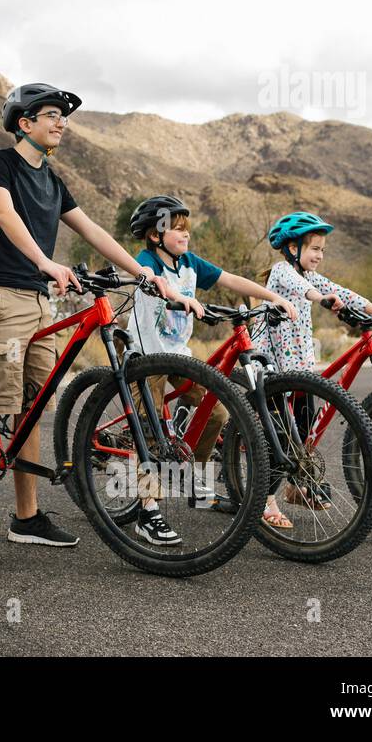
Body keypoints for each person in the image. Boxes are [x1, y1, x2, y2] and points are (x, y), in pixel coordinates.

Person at [0, 83, 165, 563]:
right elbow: (4, 215)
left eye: (63, 117)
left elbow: (89, 228)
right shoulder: (1, 164)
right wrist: (44, 261)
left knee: (31, 406)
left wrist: (145, 274)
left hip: (37, 301)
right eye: (51, 115)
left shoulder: (52, 178)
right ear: (24, 123)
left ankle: (25, 517)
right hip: (1, 295)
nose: (60, 123)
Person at [123, 195, 298, 542]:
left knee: (216, 412)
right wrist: (177, 295)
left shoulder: (189, 263)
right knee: (151, 429)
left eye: (186, 229)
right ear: (156, 236)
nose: (185, 235)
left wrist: (273, 297)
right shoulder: (147, 261)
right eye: (177, 230)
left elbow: (230, 279)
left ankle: (187, 474)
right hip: (146, 358)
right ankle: (148, 511)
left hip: (178, 355)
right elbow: (145, 276)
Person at [257, 211, 372, 520]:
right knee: (282, 436)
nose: (320, 255)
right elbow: (301, 288)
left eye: (322, 249)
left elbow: (347, 294)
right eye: (314, 248)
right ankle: (265, 501)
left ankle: (296, 486)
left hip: (301, 372)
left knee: (306, 427)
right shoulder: (282, 270)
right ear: (293, 248)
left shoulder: (311, 276)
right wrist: (321, 298)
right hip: (273, 370)